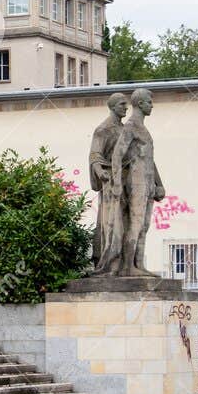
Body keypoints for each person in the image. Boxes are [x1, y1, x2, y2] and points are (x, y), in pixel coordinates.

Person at [111, 88, 165, 275]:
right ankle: (128, 267)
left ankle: (139, 265)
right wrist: (117, 183)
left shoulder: (143, 128)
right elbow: (117, 155)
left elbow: (150, 158)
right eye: (150, 101)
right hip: (136, 180)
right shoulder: (131, 126)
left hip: (148, 180)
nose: (152, 105)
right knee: (135, 223)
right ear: (140, 103)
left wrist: (159, 183)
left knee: (144, 225)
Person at [88, 93, 129, 274]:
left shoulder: (125, 129)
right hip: (111, 181)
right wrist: (101, 173)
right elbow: (95, 155)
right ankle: (108, 262)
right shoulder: (103, 129)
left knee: (127, 223)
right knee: (111, 224)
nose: (126, 107)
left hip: (127, 181)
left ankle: (126, 264)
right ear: (113, 106)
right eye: (122, 104)